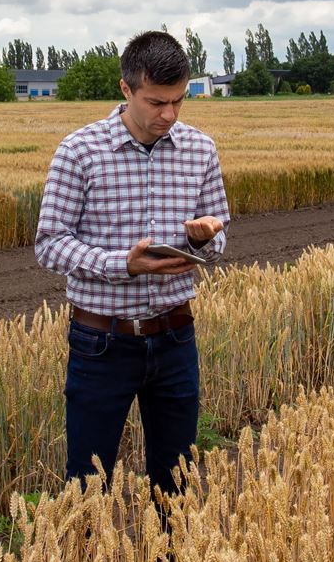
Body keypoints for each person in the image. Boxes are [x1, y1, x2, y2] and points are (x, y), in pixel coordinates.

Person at [35, 30, 230, 497]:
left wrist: (203, 238)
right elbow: (49, 244)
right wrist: (124, 264)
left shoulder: (200, 150)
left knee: (177, 481)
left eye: (178, 101)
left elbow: (219, 240)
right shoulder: (79, 151)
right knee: (87, 486)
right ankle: (85, 551)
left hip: (176, 335)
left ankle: (170, 550)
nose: (169, 114)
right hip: (101, 341)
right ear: (126, 89)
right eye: (156, 102)